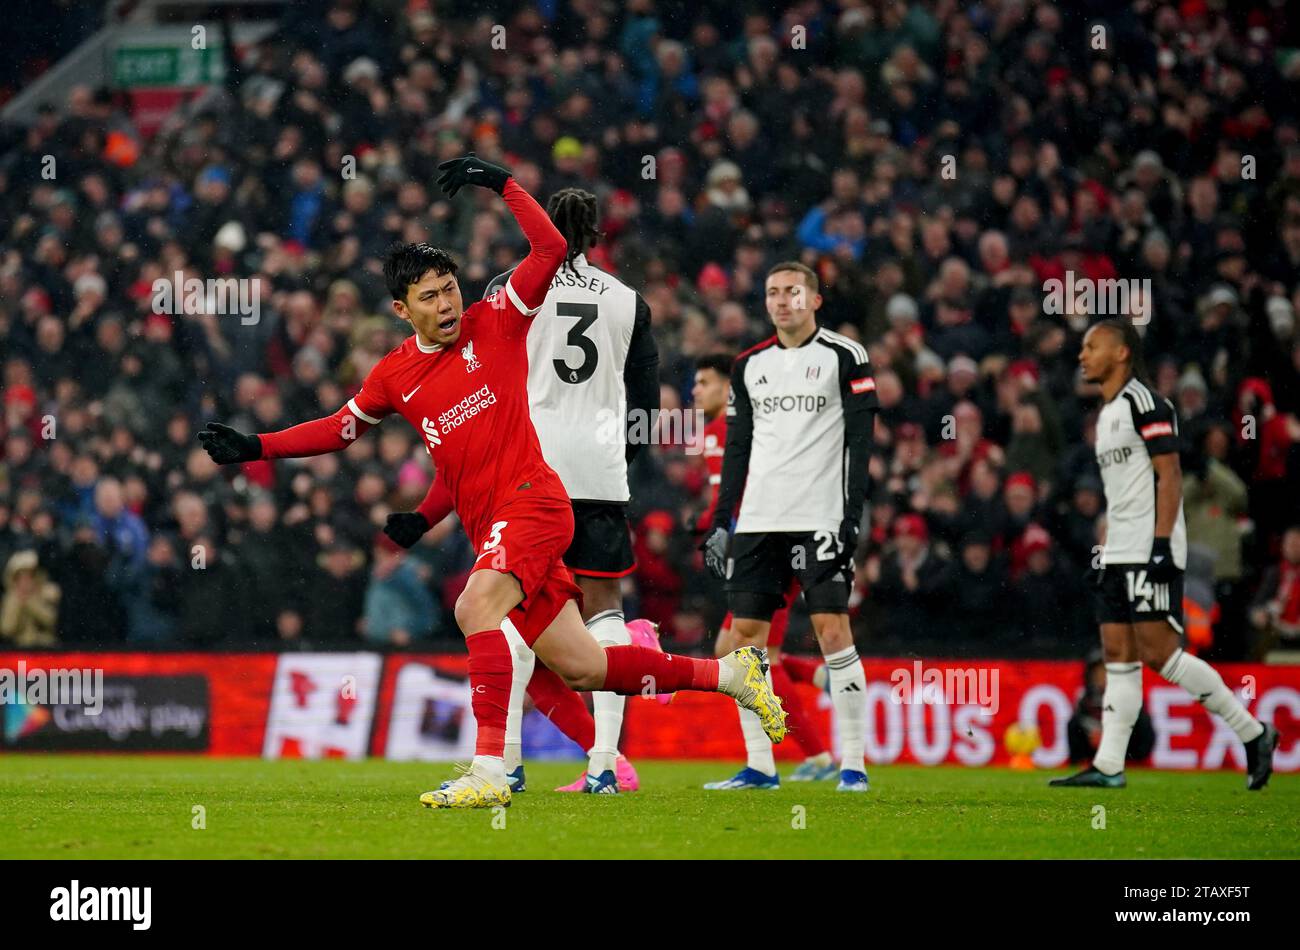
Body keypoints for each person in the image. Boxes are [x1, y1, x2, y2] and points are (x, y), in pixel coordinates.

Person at [199, 154, 786, 809]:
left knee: (474, 608)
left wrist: (501, 181)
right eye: (429, 296)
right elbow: (340, 428)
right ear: (401, 309)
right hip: (494, 525)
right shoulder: (394, 375)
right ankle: (731, 674)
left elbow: (550, 246)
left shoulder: (497, 321)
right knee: (585, 665)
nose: (447, 303)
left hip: (535, 505)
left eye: (449, 287)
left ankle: (489, 772)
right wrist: (256, 445)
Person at [392, 187, 662, 794]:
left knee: (506, 612)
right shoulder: (628, 301)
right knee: (605, 612)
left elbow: (470, 393)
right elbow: (646, 403)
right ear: (596, 235)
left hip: (528, 470)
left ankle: (505, 761)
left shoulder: (508, 288)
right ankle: (605, 766)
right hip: (599, 470)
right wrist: (619, 460)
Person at [1051, 319, 1277, 790]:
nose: (1082, 355)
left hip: (1148, 548)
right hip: (1118, 550)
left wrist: (1157, 546)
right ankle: (1109, 765)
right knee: (1118, 654)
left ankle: (1253, 733)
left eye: (1092, 346)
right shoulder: (1109, 412)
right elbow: (1124, 492)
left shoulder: (1147, 403)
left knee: (1160, 654)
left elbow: (1169, 475)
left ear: (1121, 354)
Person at [701, 261, 875, 792]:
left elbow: (860, 440)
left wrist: (851, 514)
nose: (781, 301)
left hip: (819, 515)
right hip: (758, 520)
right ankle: (760, 766)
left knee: (832, 631)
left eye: (793, 292)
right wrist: (721, 522)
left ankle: (853, 765)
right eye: (773, 292)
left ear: (815, 300)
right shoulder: (748, 364)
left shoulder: (845, 356)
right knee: (741, 641)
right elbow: (737, 447)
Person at [693, 351, 836, 781]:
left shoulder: (732, 431)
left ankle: (813, 757)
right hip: (763, 545)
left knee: (751, 654)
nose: (695, 391)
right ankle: (814, 680)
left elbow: (746, 492)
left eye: (704, 383)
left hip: (770, 546)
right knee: (735, 650)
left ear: (725, 387)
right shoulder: (718, 432)